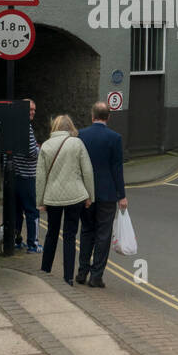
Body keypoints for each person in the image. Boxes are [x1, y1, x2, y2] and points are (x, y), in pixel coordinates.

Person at [36, 114, 94, 285]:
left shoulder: (46, 146)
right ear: (70, 127)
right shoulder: (77, 143)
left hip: (52, 197)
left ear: (54, 127)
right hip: (75, 196)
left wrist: (40, 201)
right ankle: (68, 277)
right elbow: (87, 171)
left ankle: (45, 270)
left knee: (52, 233)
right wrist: (90, 195)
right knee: (70, 235)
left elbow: (40, 177)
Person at [76, 101, 127, 288]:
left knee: (87, 231)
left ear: (92, 115)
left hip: (85, 193)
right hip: (107, 194)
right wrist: (122, 195)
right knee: (103, 235)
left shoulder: (81, 135)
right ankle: (96, 276)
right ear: (108, 117)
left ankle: (82, 272)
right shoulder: (115, 138)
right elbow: (117, 168)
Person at [9, 99, 41, 253]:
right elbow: (32, 153)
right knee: (32, 211)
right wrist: (39, 149)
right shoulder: (26, 127)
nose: (33, 112)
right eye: (30, 110)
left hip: (14, 175)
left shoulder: (12, 125)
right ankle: (33, 244)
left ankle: (15, 241)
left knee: (16, 212)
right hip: (27, 176)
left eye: (34, 110)